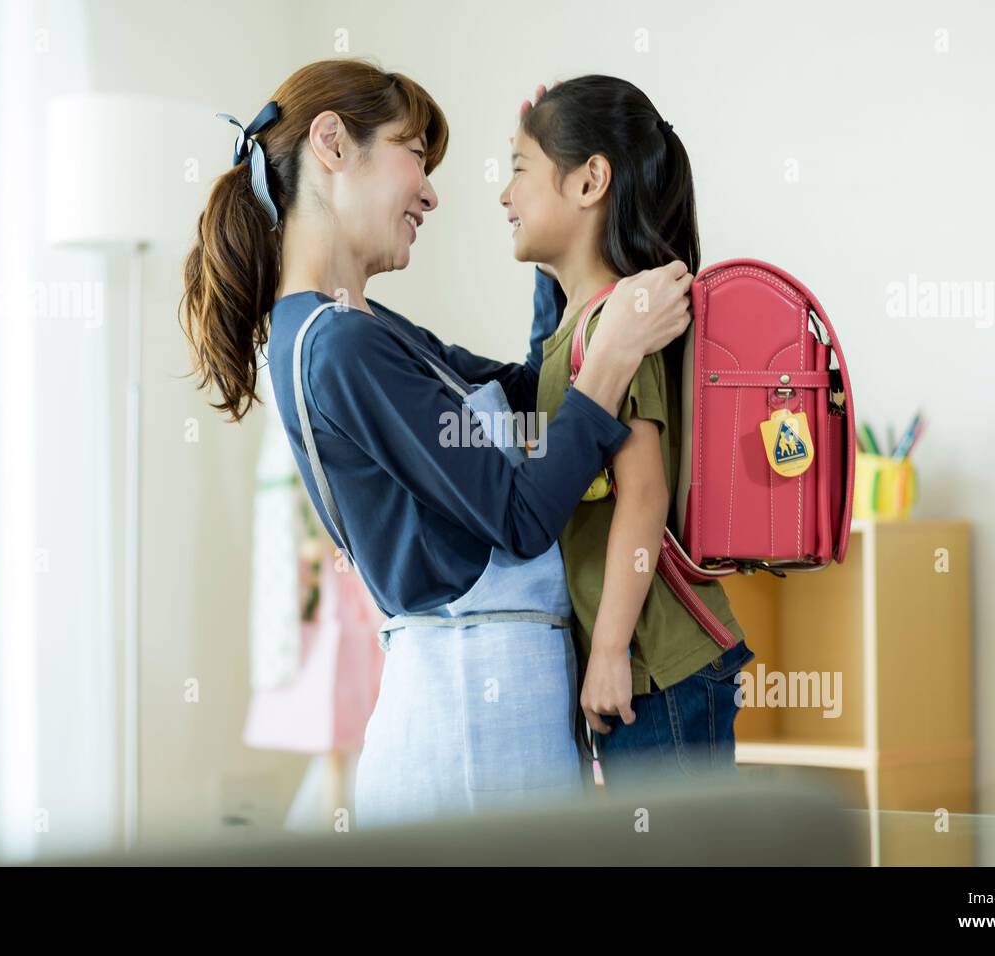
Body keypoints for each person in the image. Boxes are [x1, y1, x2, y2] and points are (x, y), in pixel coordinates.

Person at [179, 59, 692, 827]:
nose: (430, 192)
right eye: (415, 154)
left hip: (485, 715)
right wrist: (612, 356)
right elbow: (520, 518)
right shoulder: (336, 349)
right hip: (470, 730)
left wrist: (564, 258)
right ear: (332, 144)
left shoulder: (362, 332)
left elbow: (524, 397)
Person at [503, 75, 755, 792]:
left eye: (518, 168)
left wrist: (609, 649)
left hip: (661, 666)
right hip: (646, 670)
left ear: (590, 182)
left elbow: (643, 497)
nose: (504, 195)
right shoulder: (575, 330)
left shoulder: (622, 320)